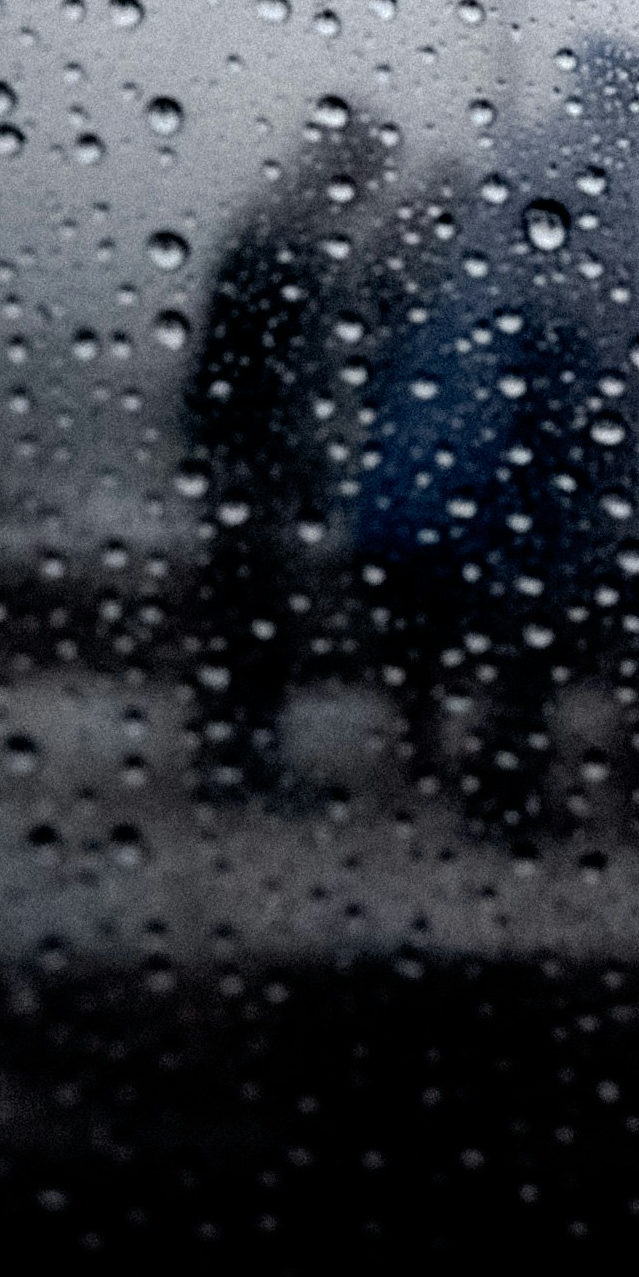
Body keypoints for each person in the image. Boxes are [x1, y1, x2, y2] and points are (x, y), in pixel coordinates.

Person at [345, 38, 639, 847]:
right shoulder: (580, 170)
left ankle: (534, 778)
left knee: (553, 619)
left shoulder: (550, 160)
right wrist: (621, 428)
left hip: (561, 428)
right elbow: (583, 313)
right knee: (590, 616)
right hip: (568, 431)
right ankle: (620, 784)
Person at [179, 105, 411, 801]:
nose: (369, 191)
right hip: (252, 456)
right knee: (255, 612)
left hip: (248, 453)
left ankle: (237, 750)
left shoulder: (283, 224)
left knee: (248, 610)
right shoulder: (286, 236)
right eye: (366, 174)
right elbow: (266, 366)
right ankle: (240, 758)